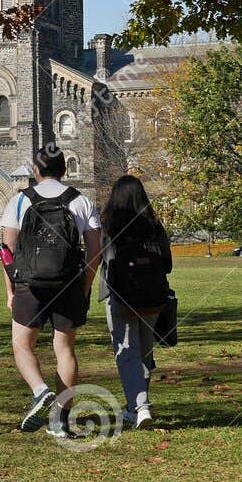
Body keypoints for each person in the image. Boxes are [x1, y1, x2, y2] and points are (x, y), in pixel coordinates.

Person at [0, 144, 102, 437]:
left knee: (22, 345)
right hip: (69, 282)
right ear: (65, 169)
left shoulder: (19, 201)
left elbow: (8, 253)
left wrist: (11, 291)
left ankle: (39, 389)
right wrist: (85, 285)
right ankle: (60, 420)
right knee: (65, 349)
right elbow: (95, 250)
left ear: (35, 171)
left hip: (29, 284)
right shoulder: (80, 201)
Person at [100, 175, 172, 429]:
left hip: (121, 297)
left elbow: (106, 262)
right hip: (153, 297)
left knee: (127, 352)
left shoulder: (109, 225)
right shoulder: (153, 225)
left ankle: (140, 407)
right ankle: (136, 406)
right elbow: (168, 264)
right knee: (144, 352)